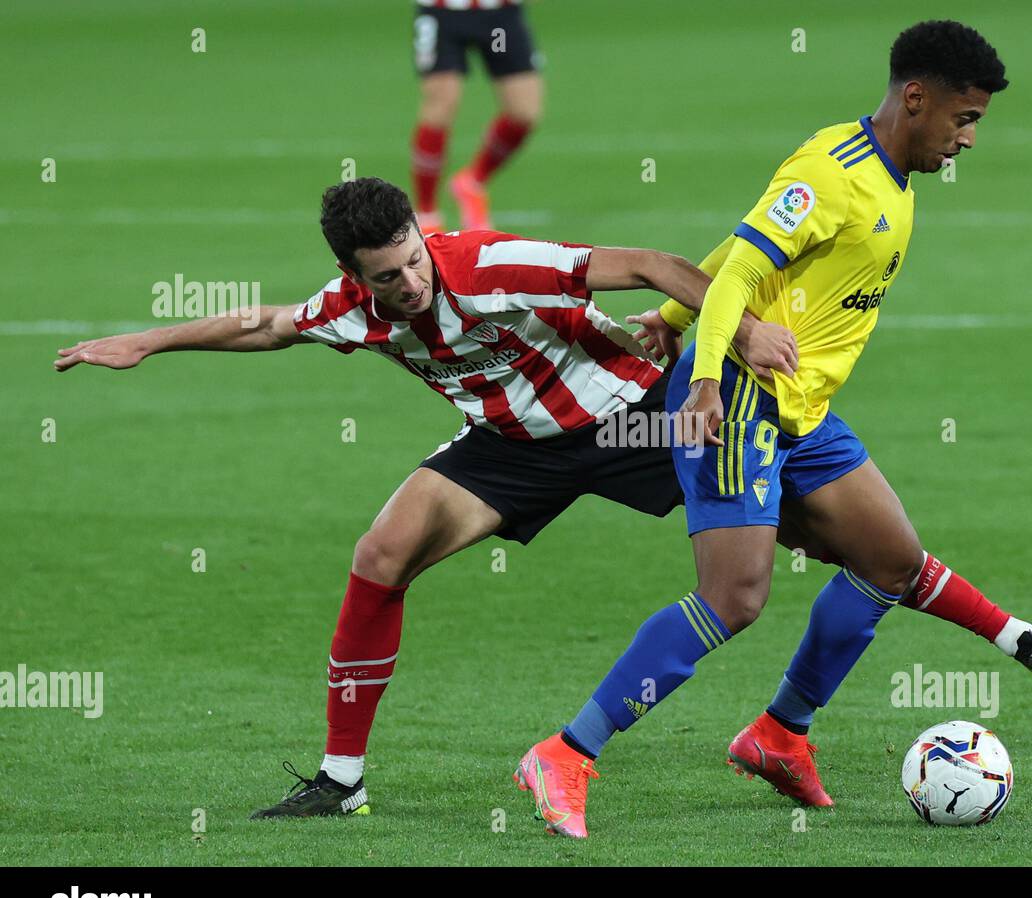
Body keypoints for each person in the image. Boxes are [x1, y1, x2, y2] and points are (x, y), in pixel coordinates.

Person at [516, 20, 1032, 839]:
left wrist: (671, 309)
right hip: (738, 400)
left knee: (889, 561)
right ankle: (567, 752)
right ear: (916, 97)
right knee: (736, 595)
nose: (969, 138)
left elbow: (739, 245)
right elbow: (747, 274)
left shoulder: (893, 183)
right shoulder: (834, 173)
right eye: (963, 119)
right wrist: (708, 371)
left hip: (802, 408)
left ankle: (780, 733)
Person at [53, 176, 799, 818]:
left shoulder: (489, 264)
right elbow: (270, 325)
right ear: (352, 275)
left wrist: (748, 333)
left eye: (413, 260)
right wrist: (149, 341)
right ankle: (341, 781)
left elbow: (653, 266)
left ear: (420, 234)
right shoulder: (350, 308)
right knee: (381, 552)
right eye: (386, 278)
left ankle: (831, 662)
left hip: (629, 420)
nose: (410, 284)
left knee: (814, 534)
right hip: (512, 448)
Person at [410, 0, 543, 233]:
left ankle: (472, 181)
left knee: (524, 112)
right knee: (441, 102)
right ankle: (426, 212)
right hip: (442, 12)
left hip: (499, 17)